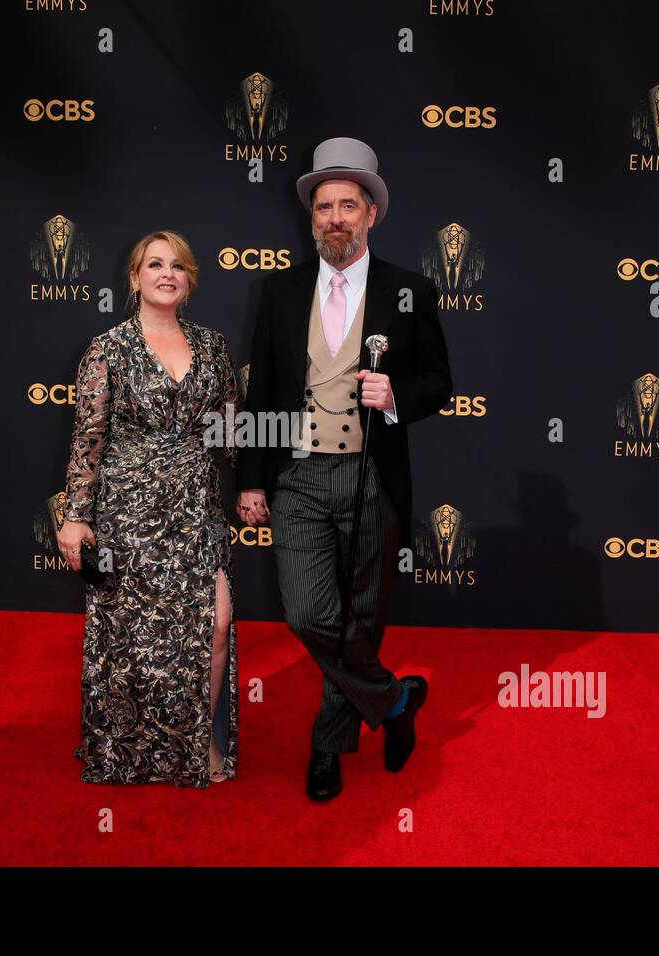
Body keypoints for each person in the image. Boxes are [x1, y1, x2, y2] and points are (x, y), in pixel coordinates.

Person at [236, 137, 452, 801]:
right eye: (323, 207)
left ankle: (328, 746)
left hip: (371, 477)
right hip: (297, 476)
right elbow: (264, 387)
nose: (334, 217)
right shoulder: (280, 289)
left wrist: (398, 399)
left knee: (360, 619)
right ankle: (393, 701)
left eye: (347, 206)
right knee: (308, 613)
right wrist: (249, 477)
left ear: (371, 215)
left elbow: (439, 381)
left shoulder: (409, 291)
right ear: (312, 217)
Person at [59, 230, 239, 787]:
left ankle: (196, 739)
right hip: (126, 511)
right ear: (134, 277)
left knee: (216, 622)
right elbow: (88, 438)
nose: (167, 274)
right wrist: (75, 516)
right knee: (131, 636)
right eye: (155, 264)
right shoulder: (107, 348)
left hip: (196, 507)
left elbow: (233, 431)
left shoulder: (212, 346)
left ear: (190, 281)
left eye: (178, 266)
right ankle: (123, 747)